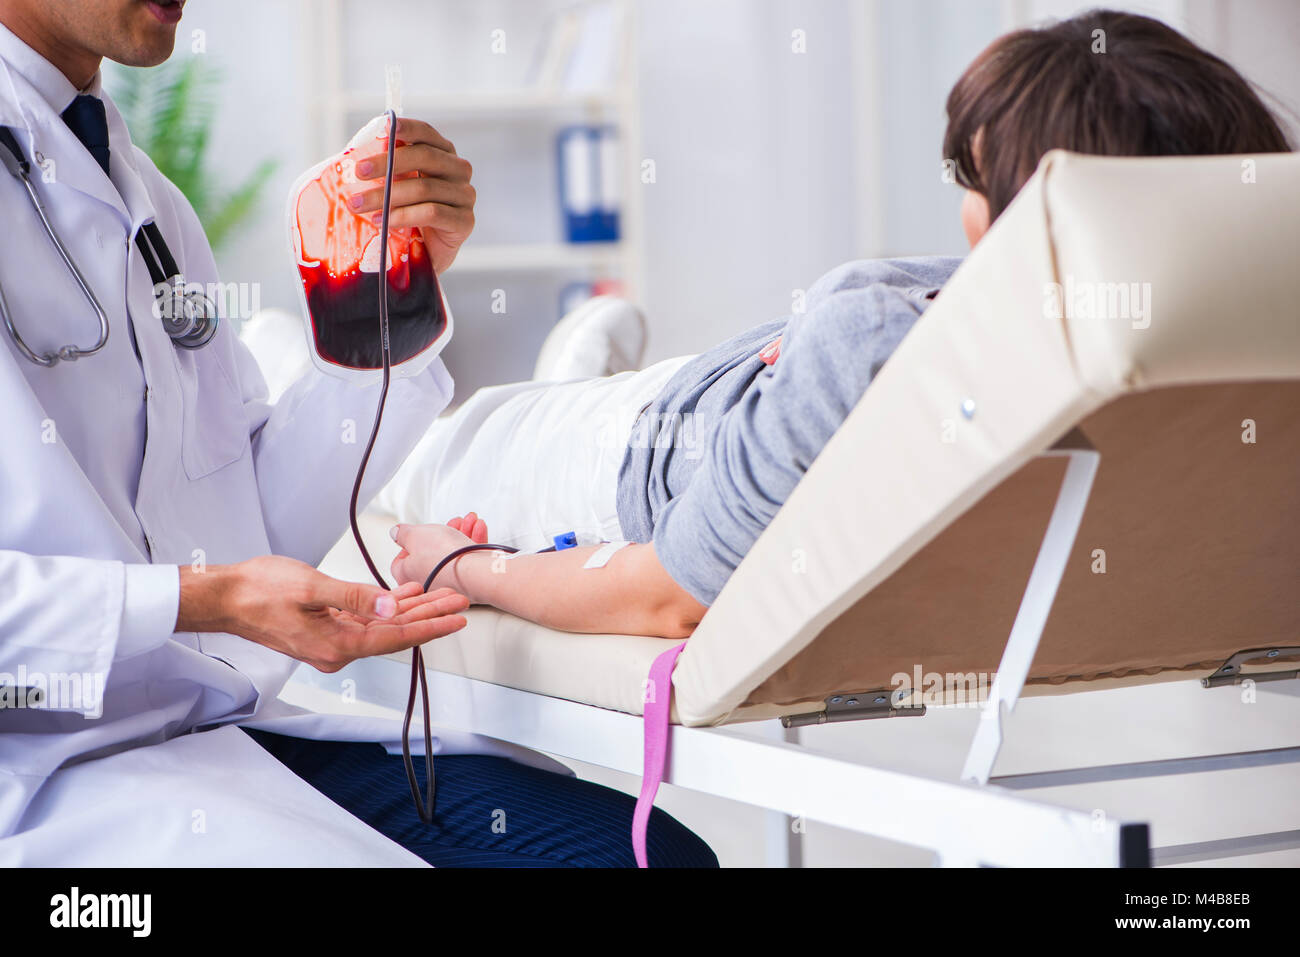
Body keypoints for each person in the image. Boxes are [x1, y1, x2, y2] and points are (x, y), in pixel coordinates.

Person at [0, 0, 716, 867]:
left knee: (646, 857)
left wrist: (385, 308)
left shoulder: (147, 200)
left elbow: (239, 521)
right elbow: (216, 581)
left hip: (211, 734)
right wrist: (207, 601)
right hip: (44, 775)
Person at [383, 9, 1293, 637]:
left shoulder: (879, 348)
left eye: (973, 180)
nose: (963, 209)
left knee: (420, 450)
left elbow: (670, 597)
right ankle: (573, 372)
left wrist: (461, 565)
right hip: (714, 395)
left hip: (620, 462)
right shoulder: (1235, 355)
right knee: (583, 387)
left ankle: (558, 380)